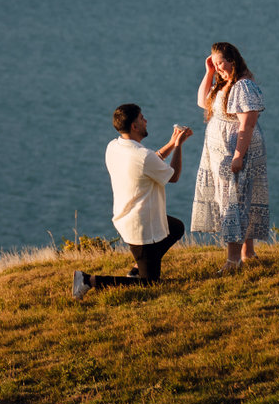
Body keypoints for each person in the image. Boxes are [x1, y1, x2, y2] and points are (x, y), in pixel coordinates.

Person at [74, 103, 194, 299]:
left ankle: (139, 266)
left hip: (126, 219)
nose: (146, 120)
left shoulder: (114, 146)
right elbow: (173, 176)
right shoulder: (143, 156)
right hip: (142, 229)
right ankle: (88, 280)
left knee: (176, 228)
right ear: (134, 126)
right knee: (150, 284)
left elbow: (150, 162)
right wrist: (179, 146)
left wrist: (172, 143)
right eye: (142, 118)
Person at [190, 42, 268, 270]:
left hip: (236, 150)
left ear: (232, 60)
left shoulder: (243, 86)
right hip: (221, 152)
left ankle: (233, 261)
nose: (218, 68)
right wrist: (209, 72)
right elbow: (201, 101)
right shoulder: (224, 83)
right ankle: (247, 253)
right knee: (239, 200)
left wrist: (238, 156)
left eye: (220, 63)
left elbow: (247, 124)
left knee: (233, 202)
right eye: (215, 64)